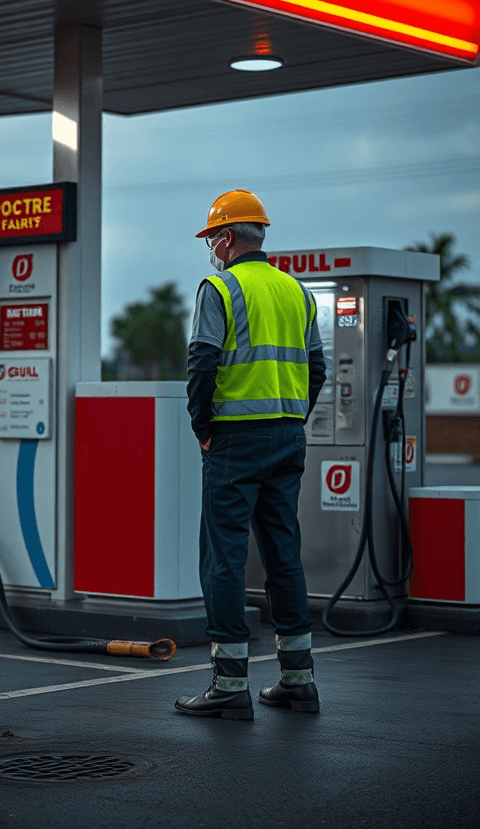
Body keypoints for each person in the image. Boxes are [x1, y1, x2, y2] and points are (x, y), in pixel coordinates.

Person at [174, 189, 326, 720]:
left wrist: (202, 428)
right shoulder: (297, 291)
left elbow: (202, 363)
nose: (211, 246)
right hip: (287, 436)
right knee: (284, 554)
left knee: (223, 558)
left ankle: (229, 684)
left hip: (233, 441)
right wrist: (292, 419)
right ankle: (298, 680)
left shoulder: (219, 286)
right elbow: (318, 368)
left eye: (213, 236)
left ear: (229, 235)